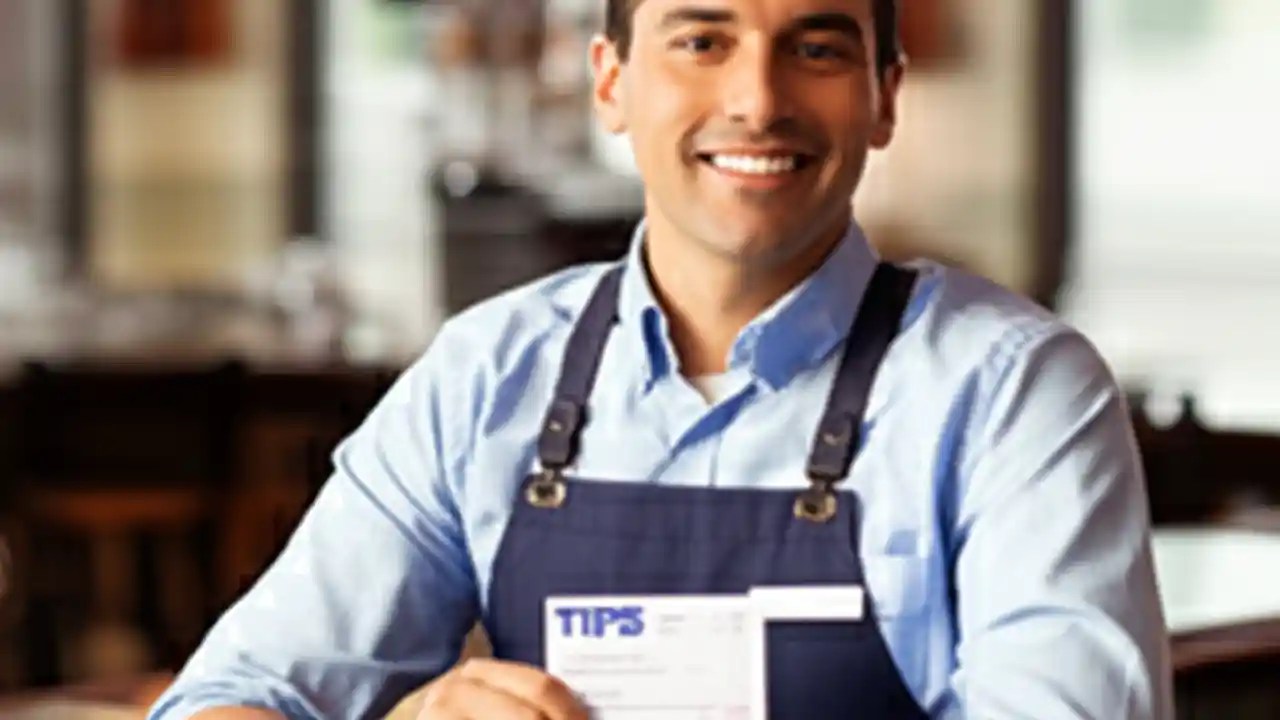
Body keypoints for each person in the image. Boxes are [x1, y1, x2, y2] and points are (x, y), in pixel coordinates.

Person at [149, 0, 1172, 718]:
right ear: (611, 81)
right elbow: (232, 698)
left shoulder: (1012, 392)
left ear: (883, 98)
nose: (756, 100)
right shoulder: (485, 376)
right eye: (701, 41)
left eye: (816, 48)